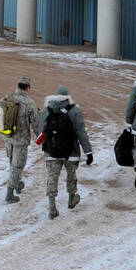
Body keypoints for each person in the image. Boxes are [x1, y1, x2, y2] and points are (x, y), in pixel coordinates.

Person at [37, 85, 93, 219]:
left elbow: (41, 132)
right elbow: (81, 133)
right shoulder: (74, 110)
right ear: (67, 96)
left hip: (52, 152)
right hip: (71, 152)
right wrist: (88, 151)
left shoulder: (47, 110)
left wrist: (47, 146)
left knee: (52, 177)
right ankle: (71, 198)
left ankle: (52, 207)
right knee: (71, 175)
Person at [1, 76, 39, 203]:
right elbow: (36, 124)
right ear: (28, 87)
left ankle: (17, 184)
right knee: (18, 165)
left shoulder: (7, 97)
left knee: (12, 163)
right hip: (21, 140)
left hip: (8, 137)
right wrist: (41, 138)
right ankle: (9, 194)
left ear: (17, 85)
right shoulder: (30, 103)